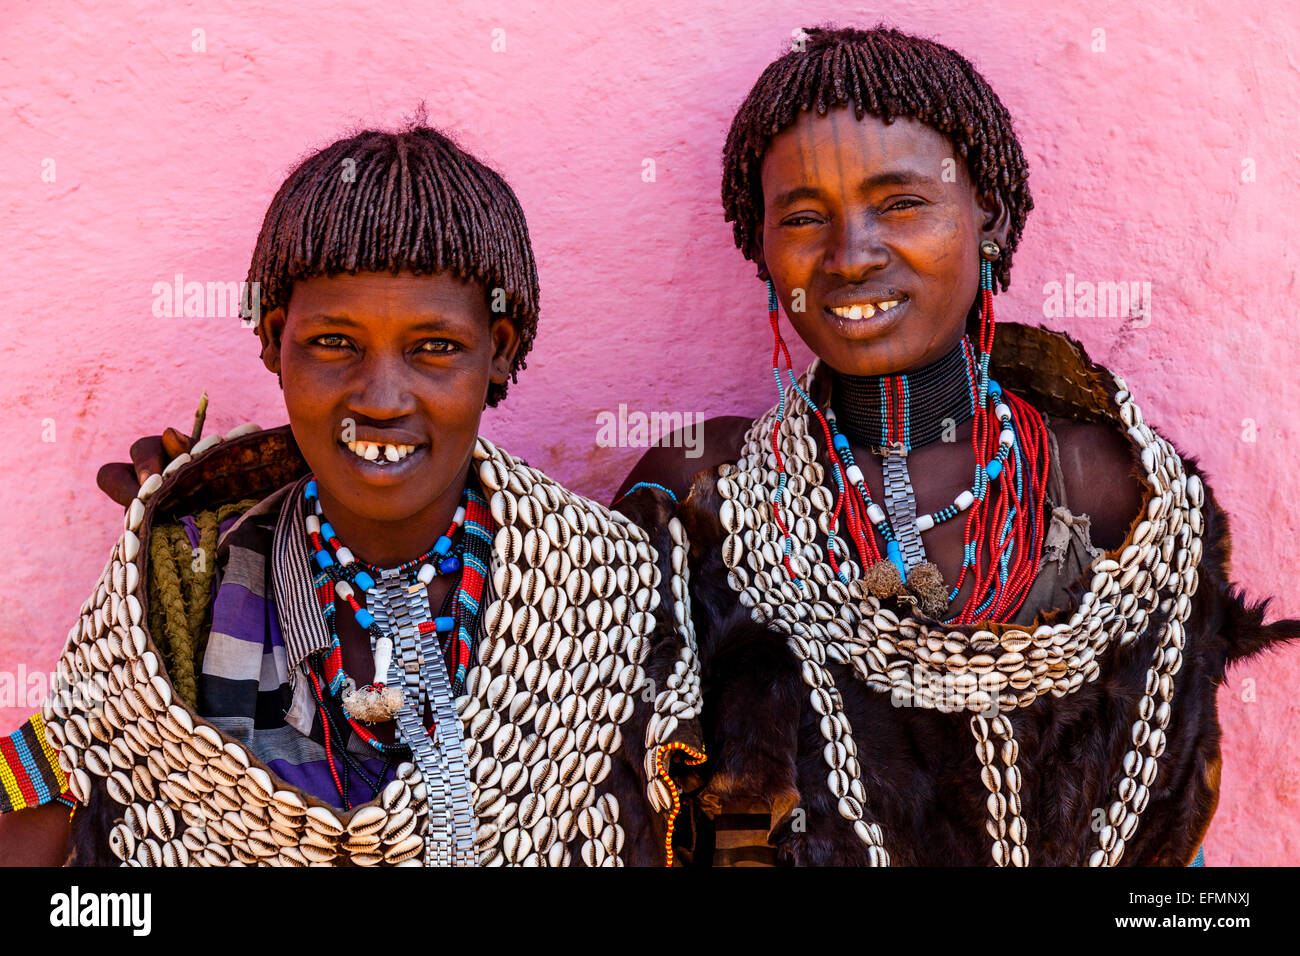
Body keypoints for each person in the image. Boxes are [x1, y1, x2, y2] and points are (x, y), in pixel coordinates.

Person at [618, 25, 1297, 866]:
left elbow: (1174, 858)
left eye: (901, 203)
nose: (851, 256)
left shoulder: (1118, 498)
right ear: (761, 250)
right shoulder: (700, 499)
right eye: (802, 216)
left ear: (990, 219)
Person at [0, 120, 705, 867]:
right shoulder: (174, 589)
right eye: (334, 342)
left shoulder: (605, 588)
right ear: (275, 339)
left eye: (435, 347)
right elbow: (46, 785)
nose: (381, 396)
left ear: (497, 351)